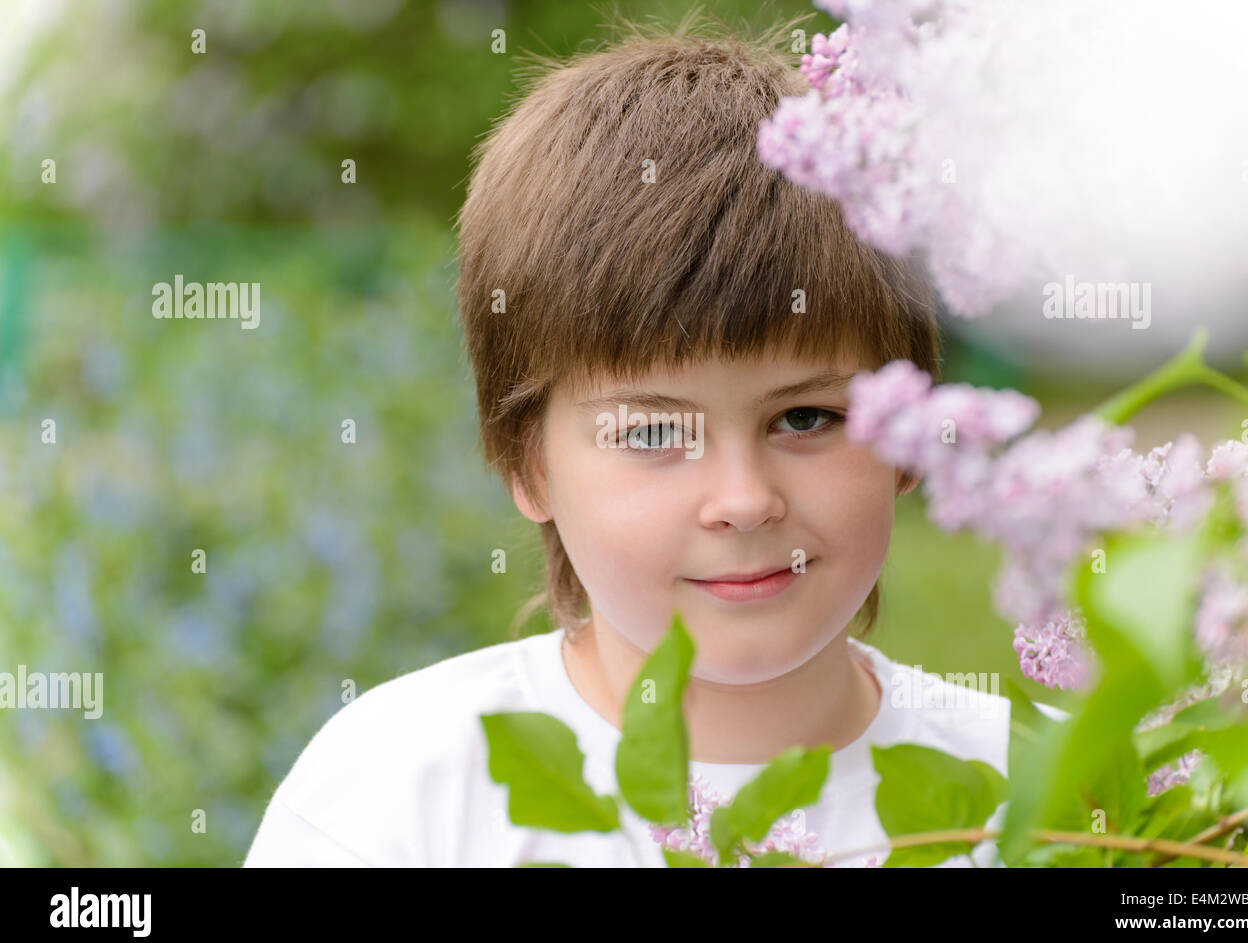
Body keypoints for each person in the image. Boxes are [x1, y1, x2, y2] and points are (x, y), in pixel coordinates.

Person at [245, 11, 1021, 868]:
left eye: (805, 418)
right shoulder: (396, 799)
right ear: (526, 460)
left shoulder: (1056, 803)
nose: (743, 499)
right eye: (654, 430)